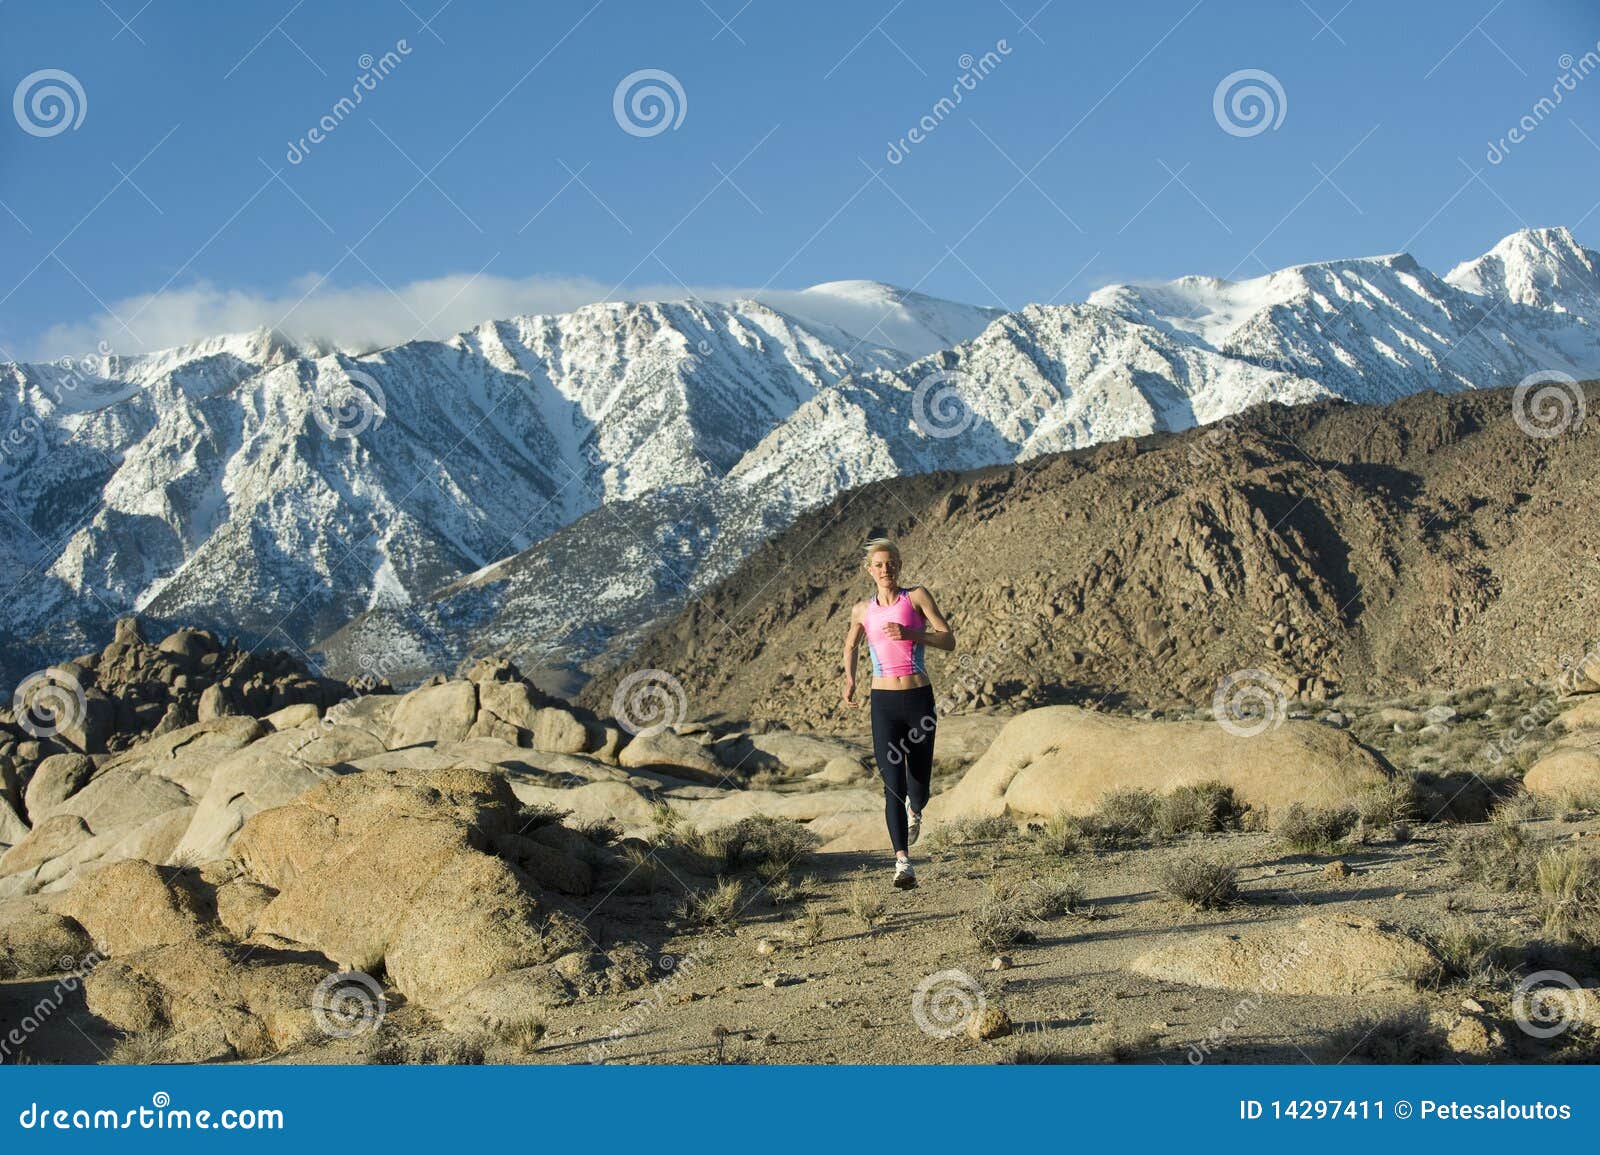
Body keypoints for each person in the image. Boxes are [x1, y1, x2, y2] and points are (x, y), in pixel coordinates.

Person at [841, 538, 956, 889]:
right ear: (869, 570)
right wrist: (849, 679)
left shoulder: (916, 597)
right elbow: (851, 645)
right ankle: (902, 863)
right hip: (884, 705)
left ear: (899, 565)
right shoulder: (862, 610)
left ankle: (916, 808)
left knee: (919, 784)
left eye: (890, 563)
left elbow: (948, 640)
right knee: (892, 784)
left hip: (919, 699)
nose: (885, 569)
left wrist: (911, 633)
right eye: (878, 564)